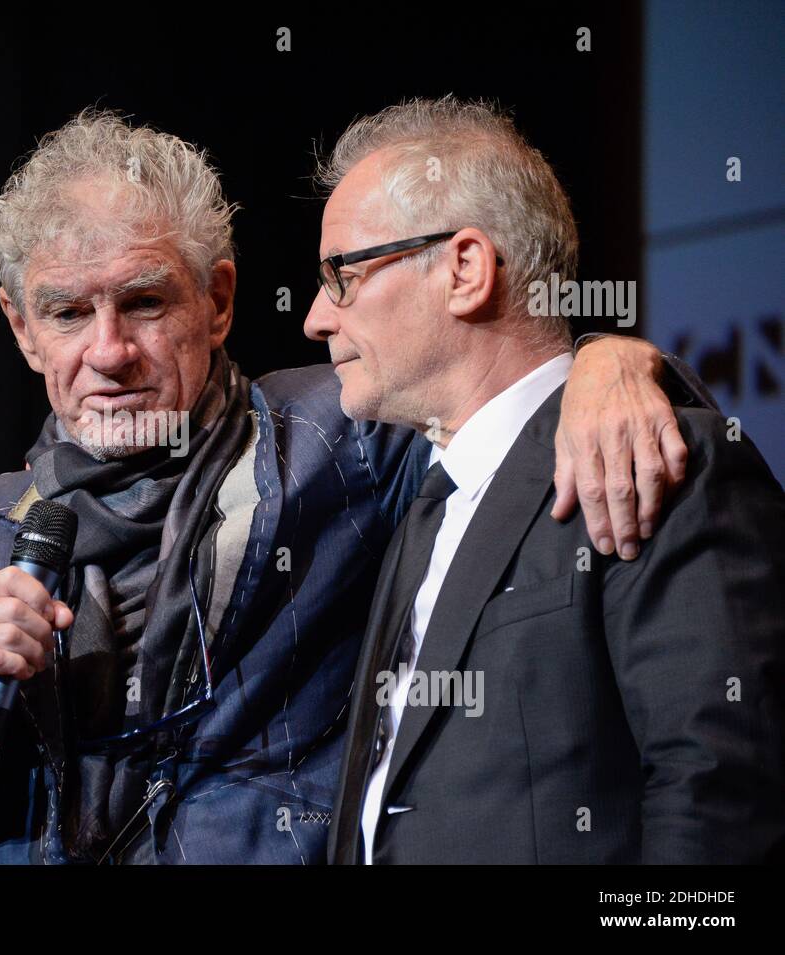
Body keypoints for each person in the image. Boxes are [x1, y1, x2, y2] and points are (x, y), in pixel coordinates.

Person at [0, 109, 699, 864]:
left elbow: (490, 376)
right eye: (68, 314)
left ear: (218, 300)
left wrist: (604, 359)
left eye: (145, 302)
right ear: (21, 328)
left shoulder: (346, 434)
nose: (110, 352)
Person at [308, 96, 785, 864]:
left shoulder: (643, 455)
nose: (315, 318)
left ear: (464, 269)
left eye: (342, 275)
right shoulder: (421, 507)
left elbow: (721, 790)